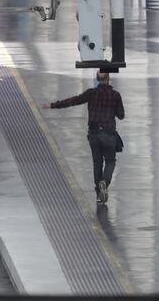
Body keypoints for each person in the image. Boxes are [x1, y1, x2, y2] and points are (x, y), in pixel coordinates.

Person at [49, 69, 125, 205]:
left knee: (97, 162)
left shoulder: (91, 93)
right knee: (110, 161)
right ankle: (104, 182)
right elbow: (121, 115)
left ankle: (99, 194)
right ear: (108, 79)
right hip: (108, 133)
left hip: (94, 134)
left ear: (97, 80)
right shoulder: (115, 95)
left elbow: (74, 101)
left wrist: (53, 105)